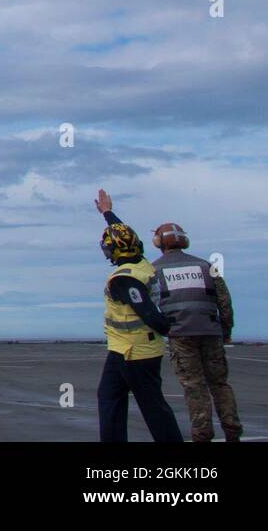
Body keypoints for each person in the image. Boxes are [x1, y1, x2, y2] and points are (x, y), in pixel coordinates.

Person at [92, 189, 183, 442]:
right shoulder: (141, 263)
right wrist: (108, 214)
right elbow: (124, 237)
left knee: (152, 405)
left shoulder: (124, 279)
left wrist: (171, 330)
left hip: (136, 352)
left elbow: (147, 312)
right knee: (109, 397)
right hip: (122, 349)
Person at [151, 222, 242, 442]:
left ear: (159, 242)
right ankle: (232, 431)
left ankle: (202, 435)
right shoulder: (205, 266)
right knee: (219, 384)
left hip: (180, 335)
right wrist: (225, 330)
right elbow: (224, 302)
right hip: (211, 332)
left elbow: (150, 306)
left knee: (194, 387)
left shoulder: (154, 270)